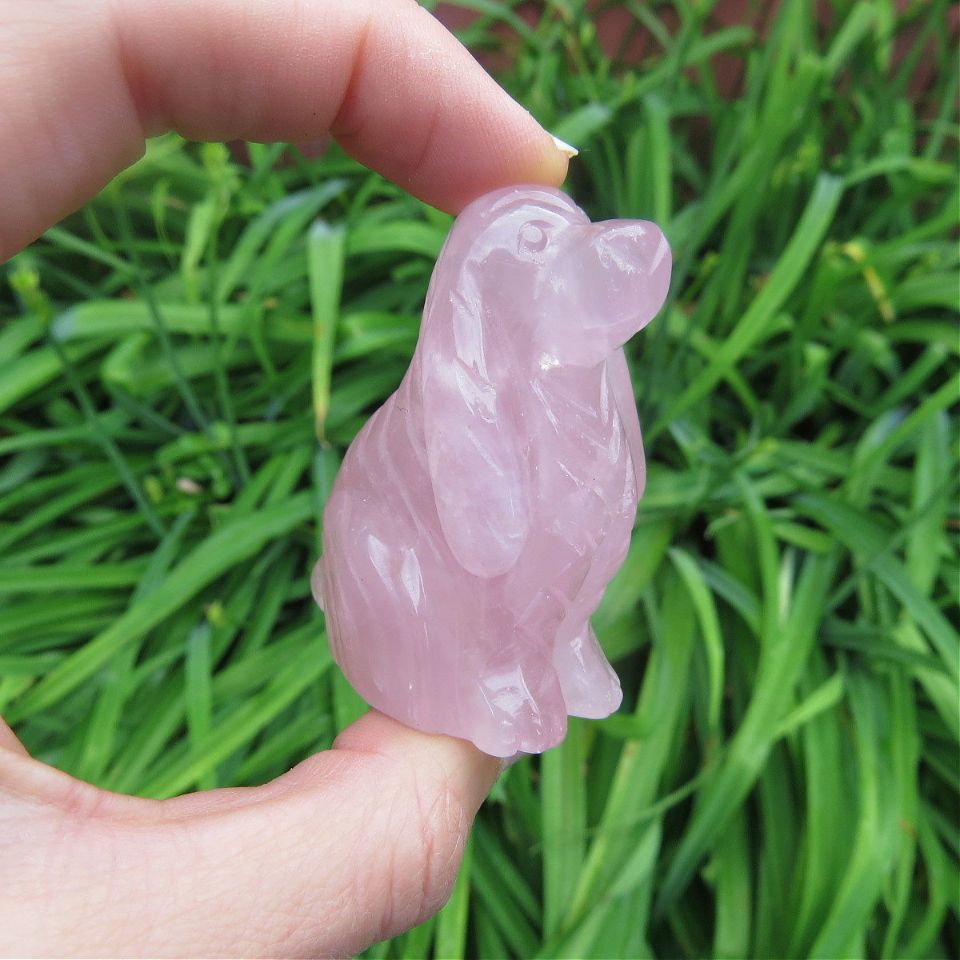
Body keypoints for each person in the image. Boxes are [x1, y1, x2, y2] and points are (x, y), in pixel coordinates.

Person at [0, 1, 570, 955]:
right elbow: (487, 522)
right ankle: (489, 668)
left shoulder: (570, 383)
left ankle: (536, 655)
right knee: (472, 541)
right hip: (419, 603)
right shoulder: (471, 376)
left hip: (493, 583)